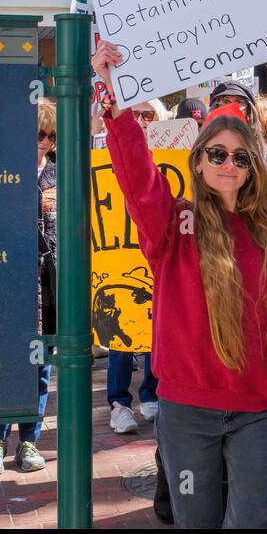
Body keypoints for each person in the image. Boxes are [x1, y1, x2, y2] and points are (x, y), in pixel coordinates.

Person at [92, 42, 267, 528]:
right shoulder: (173, 226)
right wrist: (112, 96)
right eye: (216, 153)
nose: (228, 164)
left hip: (255, 408)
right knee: (195, 519)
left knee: (253, 519)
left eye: (239, 156)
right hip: (187, 409)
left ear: (254, 166)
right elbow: (138, 177)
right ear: (199, 160)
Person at [0, 100, 58, 474]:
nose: (44, 142)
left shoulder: (59, 175)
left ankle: (29, 438)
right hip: (7, 282)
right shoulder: (1, 172)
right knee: (4, 361)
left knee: (40, 364)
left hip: (47, 281)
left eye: (51, 136)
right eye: (39, 133)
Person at [107, 96, 165, 434]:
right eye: (136, 114)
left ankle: (150, 393)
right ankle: (118, 402)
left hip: (153, 254)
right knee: (120, 334)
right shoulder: (108, 149)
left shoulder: (172, 154)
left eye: (148, 114)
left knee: (154, 328)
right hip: (119, 252)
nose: (142, 120)